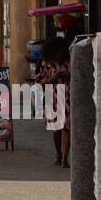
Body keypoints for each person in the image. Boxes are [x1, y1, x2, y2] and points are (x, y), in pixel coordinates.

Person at [35, 36, 72, 167]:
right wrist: (53, 78)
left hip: (69, 97)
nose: (57, 56)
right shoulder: (47, 63)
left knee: (67, 127)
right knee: (56, 129)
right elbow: (39, 82)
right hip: (54, 97)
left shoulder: (70, 60)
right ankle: (59, 154)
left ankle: (65, 159)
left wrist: (69, 76)